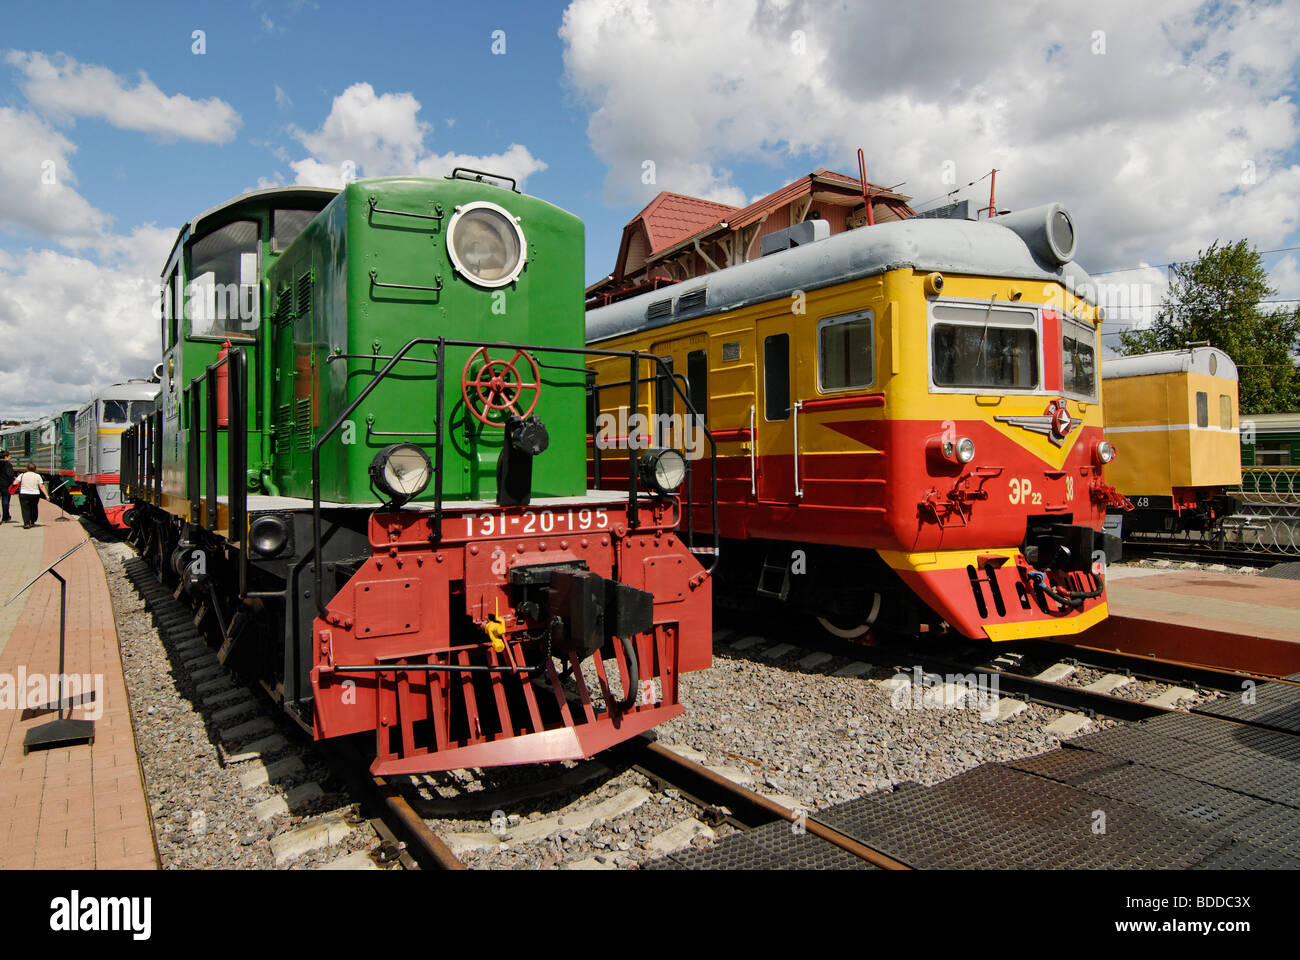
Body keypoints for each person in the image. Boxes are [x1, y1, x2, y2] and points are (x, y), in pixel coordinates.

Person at [16, 463, 47, 529]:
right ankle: (33, 521)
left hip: (24, 494)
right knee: (34, 507)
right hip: (35, 494)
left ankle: (26, 524)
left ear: (27, 468)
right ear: (35, 469)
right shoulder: (38, 476)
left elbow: (15, 483)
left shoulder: (22, 475)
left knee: (25, 509)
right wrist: (47, 495)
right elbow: (41, 486)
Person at [0, 452, 13, 523]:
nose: (10, 457)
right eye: (9, 456)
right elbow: (9, 475)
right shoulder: (8, 464)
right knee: (5, 501)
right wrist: (13, 483)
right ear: (5, 457)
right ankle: (5, 517)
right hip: (5, 485)